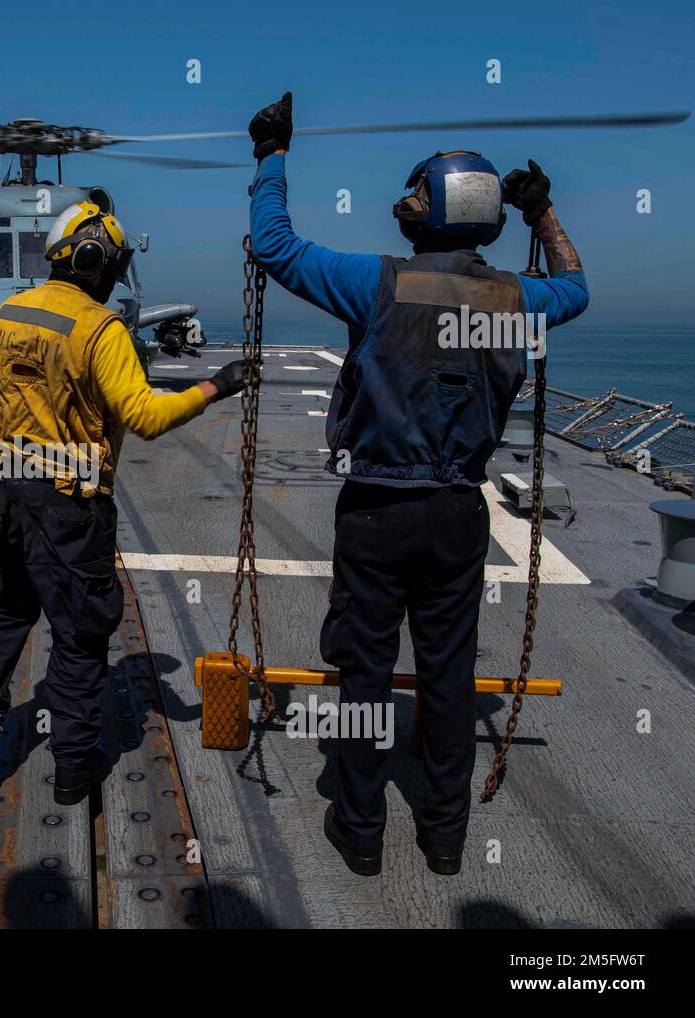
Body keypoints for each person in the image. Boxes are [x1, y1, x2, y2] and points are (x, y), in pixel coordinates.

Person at [246, 93, 588, 875]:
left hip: (376, 508)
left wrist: (272, 156)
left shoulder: (376, 284)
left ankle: (360, 832)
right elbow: (575, 287)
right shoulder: (516, 299)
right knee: (448, 673)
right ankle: (444, 837)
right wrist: (546, 218)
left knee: (364, 671)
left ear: (419, 212)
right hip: (457, 514)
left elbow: (274, 245)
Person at [0, 200, 248, 805]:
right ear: (103, 264)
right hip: (71, 507)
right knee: (80, 639)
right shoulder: (101, 328)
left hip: (2, 496)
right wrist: (217, 386)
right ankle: (72, 767)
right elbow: (144, 415)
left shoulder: (4, 316)